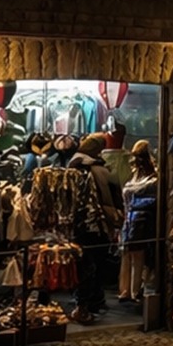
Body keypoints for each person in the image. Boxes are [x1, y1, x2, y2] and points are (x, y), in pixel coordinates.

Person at [68, 132, 123, 324]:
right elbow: (114, 196)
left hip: (79, 223)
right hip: (99, 222)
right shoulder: (100, 169)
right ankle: (91, 301)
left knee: (84, 262)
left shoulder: (73, 168)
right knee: (96, 262)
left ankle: (86, 301)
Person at [117, 141, 159, 303]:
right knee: (129, 255)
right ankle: (128, 290)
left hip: (139, 220)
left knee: (135, 255)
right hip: (131, 218)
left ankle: (132, 290)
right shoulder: (142, 178)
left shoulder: (151, 179)